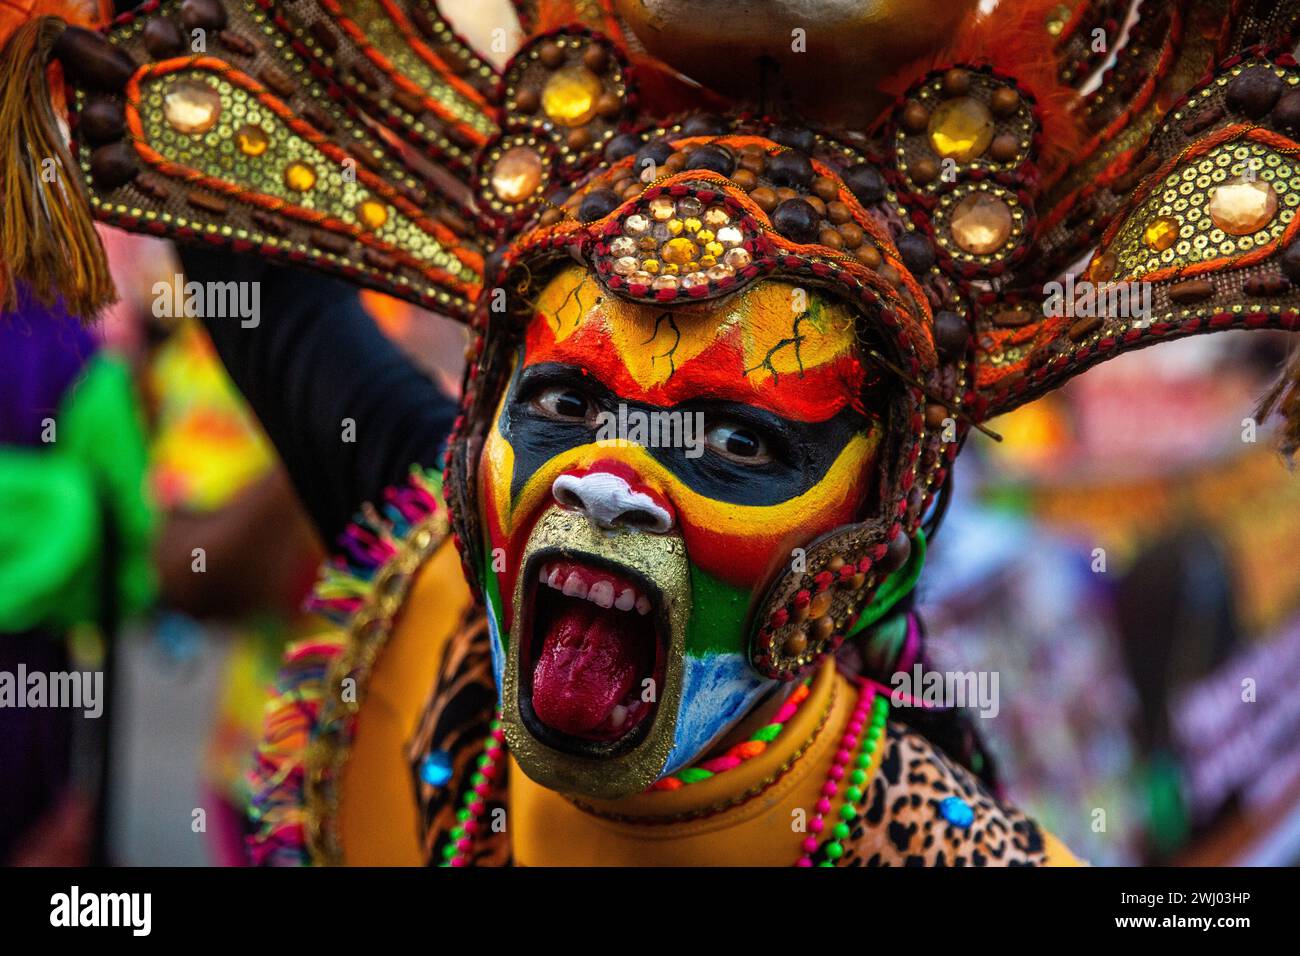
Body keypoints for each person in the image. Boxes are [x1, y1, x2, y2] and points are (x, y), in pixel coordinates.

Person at [3, 0, 1299, 866]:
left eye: (740, 442)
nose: (613, 483)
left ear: (874, 523)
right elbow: (278, 301)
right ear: (480, 432)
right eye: (566, 404)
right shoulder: (438, 584)